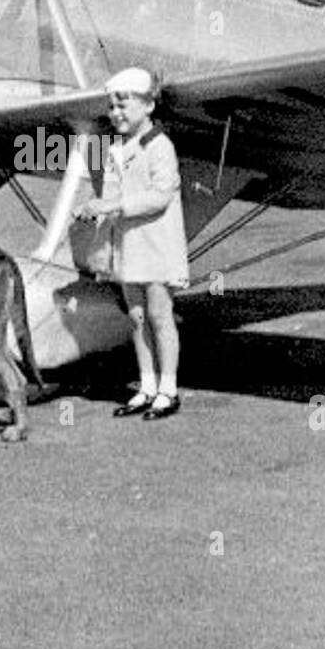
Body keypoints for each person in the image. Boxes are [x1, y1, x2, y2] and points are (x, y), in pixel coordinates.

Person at [74, 67, 188, 420]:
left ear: (149, 105)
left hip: (156, 245)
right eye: (112, 107)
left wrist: (112, 205)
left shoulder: (160, 146)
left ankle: (168, 390)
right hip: (129, 247)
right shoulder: (116, 150)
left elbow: (159, 196)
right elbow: (109, 192)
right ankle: (147, 386)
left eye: (124, 105)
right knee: (137, 318)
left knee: (159, 315)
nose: (116, 113)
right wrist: (92, 209)